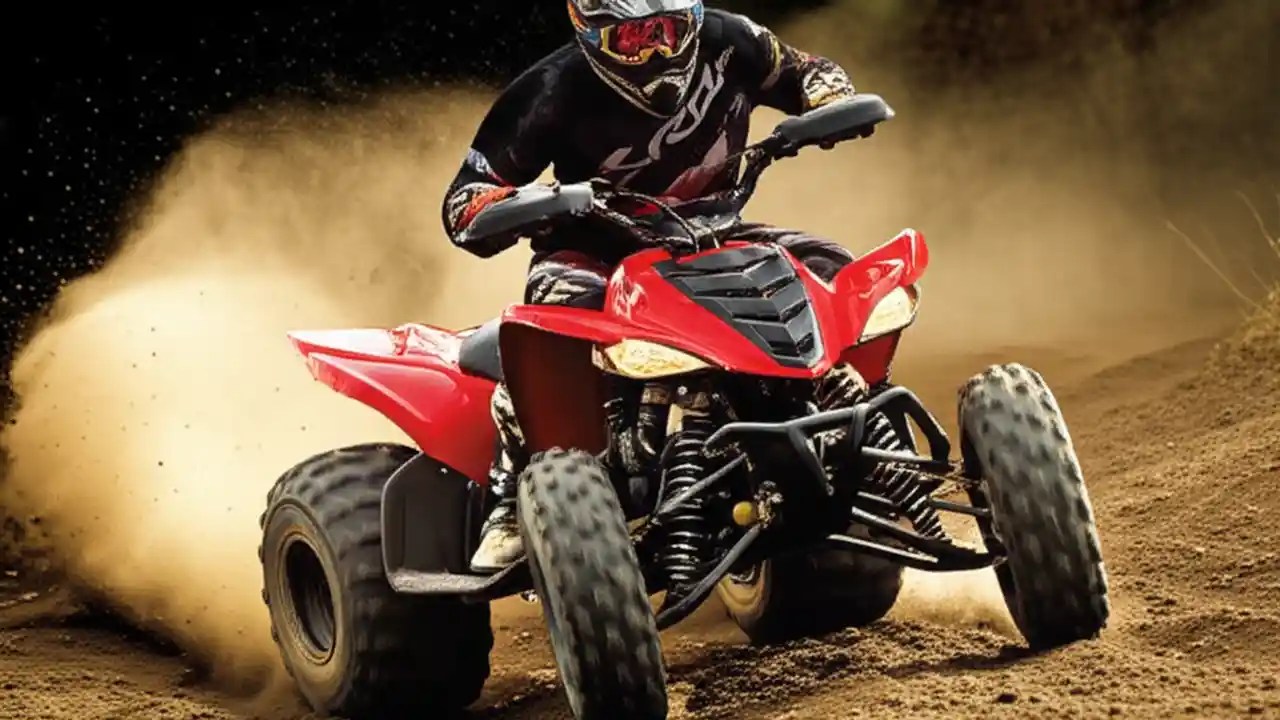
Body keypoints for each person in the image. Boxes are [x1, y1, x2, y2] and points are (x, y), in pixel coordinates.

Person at [441, 0, 862, 574]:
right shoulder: (550, 88)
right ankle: (513, 494)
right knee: (550, 320)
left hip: (714, 233)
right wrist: (530, 204)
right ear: (590, 35)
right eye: (635, 39)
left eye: (669, 31)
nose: (658, 52)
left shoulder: (729, 39)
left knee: (828, 265)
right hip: (595, 254)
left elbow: (807, 70)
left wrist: (831, 102)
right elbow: (464, 199)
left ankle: (851, 414)